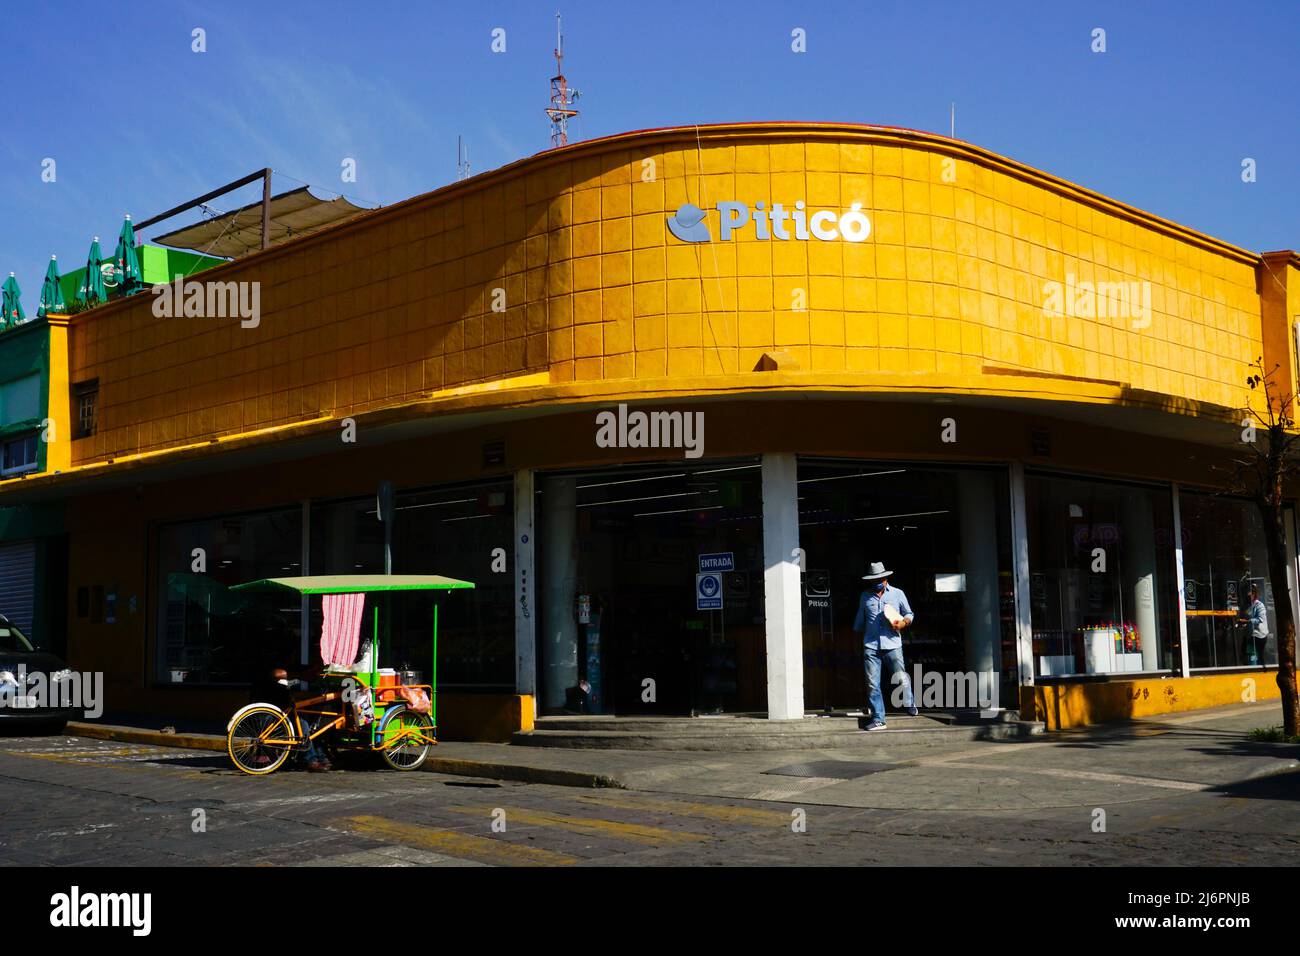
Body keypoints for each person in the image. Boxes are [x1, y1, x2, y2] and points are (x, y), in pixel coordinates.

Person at [852, 561, 917, 730]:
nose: (876, 582)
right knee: (872, 683)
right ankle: (879, 718)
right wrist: (855, 633)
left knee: (901, 677)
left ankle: (910, 703)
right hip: (871, 646)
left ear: (885, 577)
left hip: (893, 645)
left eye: (879, 578)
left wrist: (904, 623)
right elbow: (860, 619)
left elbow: (909, 613)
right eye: (873, 579)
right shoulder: (865, 596)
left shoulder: (897, 594)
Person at [1241, 583, 1268, 666]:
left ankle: (1256, 669)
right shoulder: (1247, 605)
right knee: (1249, 653)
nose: (1248, 596)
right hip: (1250, 634)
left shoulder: (1259, 605)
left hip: (1259, 635)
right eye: (1247, 594)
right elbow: (1245, 617)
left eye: (1250, 594)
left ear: (1254, 594)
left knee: (1255, 655)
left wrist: (1248, 621)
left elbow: (1260, 619)